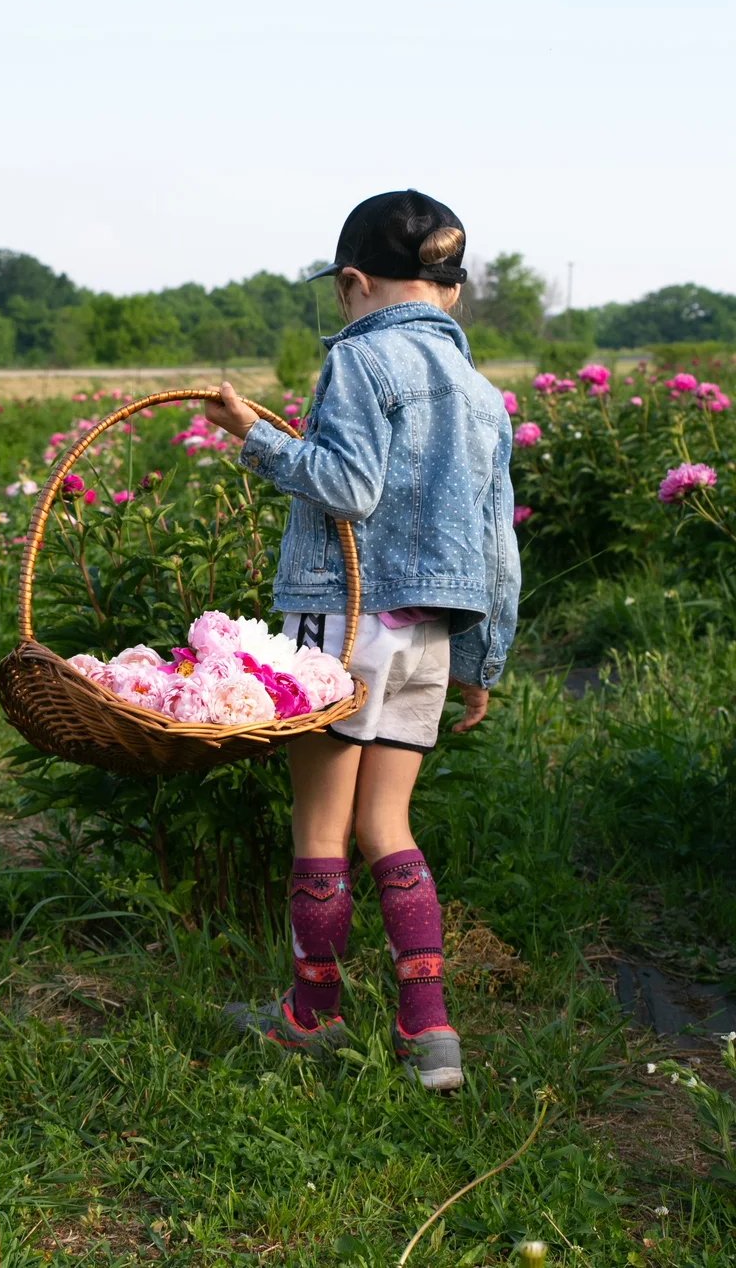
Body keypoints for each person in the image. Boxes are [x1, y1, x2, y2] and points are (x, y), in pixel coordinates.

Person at [204, 189, 520, 1090]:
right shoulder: (484, 396)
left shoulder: (361, 363)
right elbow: (500, 546)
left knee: (320, 824)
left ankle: (313, 1014)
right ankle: (430, 1035)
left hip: (340, 626)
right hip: (426, 634)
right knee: (388, 824)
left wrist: (255, 438)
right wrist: (479, 660)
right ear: (451, 289)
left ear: (352, 283)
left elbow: (346, 487)